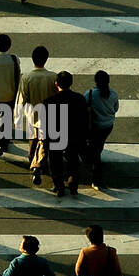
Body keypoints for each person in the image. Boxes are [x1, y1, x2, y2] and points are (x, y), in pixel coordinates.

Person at [16, 45, 56, 186]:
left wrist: (18, 118)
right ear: (46, 59)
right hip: (49, 114)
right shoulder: (53, 76)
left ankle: (32, 158)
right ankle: (37, 165)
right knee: (44, 141)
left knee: (34, 137)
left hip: (33, 114)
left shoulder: (26, 77)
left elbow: (23, 99)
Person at [45, 70, 88, 198]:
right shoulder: (79, 99)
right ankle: (73, 184)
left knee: (55, 162)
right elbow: (84, 120)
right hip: (74, 136)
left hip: (56, 136)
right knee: (73, 161)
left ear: (56, 84)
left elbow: (46, 124)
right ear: (71, 84)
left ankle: (59, 187)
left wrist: (46, 141)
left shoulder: (49, 101)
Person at [85, 70, 119, 191]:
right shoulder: (113, 95)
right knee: (99, 145)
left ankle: (96, 179)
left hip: (94, 127)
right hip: (107, 126)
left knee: (95, 152)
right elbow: (115, 109)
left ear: (96, 82)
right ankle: (96, 153)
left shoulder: (89, 94)